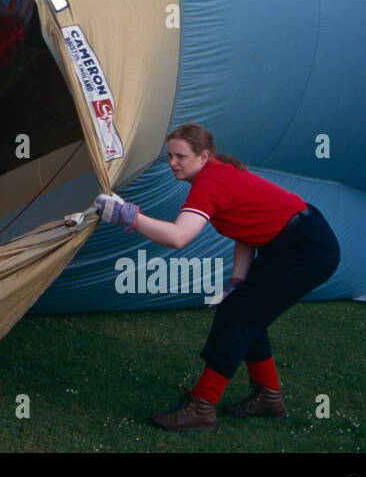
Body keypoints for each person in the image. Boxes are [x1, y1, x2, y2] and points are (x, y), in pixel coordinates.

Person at [95, 122, 340, 432]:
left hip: (307, 249)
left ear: (204, 155)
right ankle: (269, 397)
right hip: (290, 241)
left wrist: (127, 216)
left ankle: (202, 408)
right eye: (169, 155)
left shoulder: (211, 182)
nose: (172, 163)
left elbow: (178, 237)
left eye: (180, 156)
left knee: (237, 317)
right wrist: (238, 281)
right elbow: (246, 227)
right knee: (245, 312)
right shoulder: (217, 171)